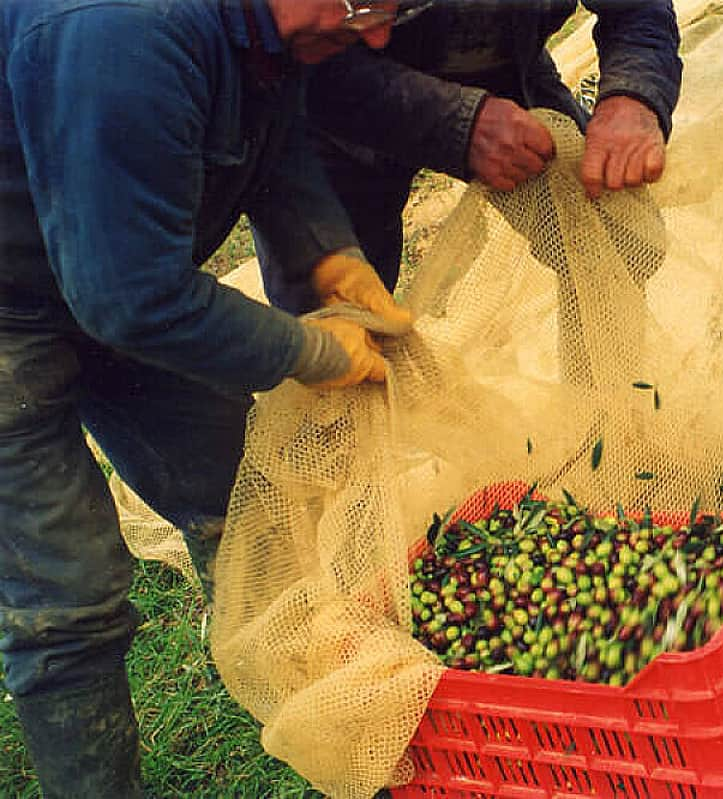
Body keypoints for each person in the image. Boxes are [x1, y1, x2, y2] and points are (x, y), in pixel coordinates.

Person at [0, 1, 416, 795]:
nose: (377, 37)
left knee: (248, 508)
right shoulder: (121, 32)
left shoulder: (264, 30)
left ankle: (326, 731)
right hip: (17, 310)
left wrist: (327, 250)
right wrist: (309, 350)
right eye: (361, 6)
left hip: (110, 269)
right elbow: (127, 298)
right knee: (69, 601)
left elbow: (277, 146)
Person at [256, 0, 682, 318]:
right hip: (340, 100)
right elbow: (284, 43)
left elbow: (637, 11)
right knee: (335, 317)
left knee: (615, 243)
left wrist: (633, 95)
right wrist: (456, 124)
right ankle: (333, 432)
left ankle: (603, 420)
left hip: (508, 69)